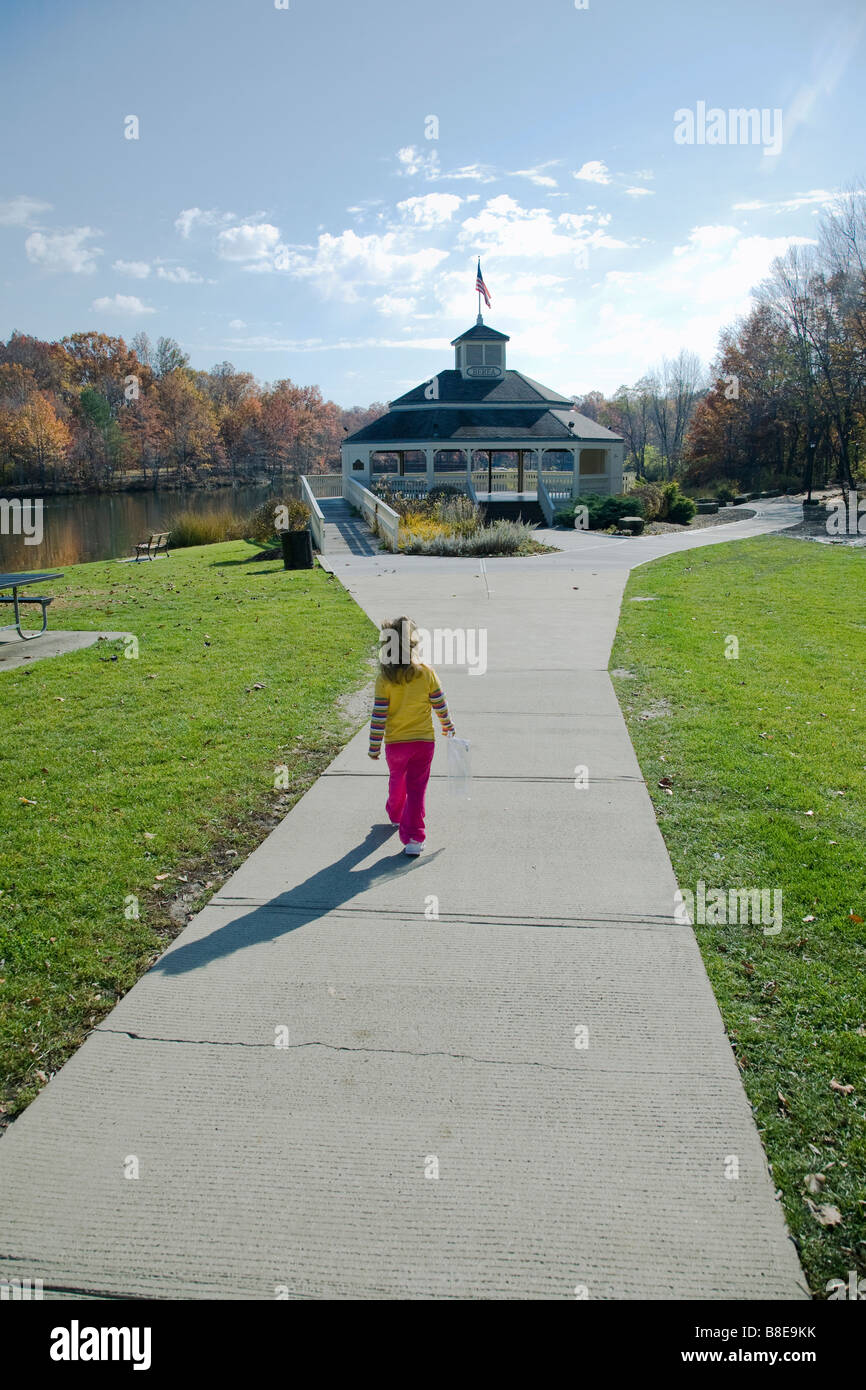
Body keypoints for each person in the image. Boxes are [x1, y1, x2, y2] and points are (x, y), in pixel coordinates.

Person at [368, 616, 455, 856]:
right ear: (413, 644)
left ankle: (396, 814)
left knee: (397, 779)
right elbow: (439, 703)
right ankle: (414, 837)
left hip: (396, 744)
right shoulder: (426, 673)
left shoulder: (385, 678)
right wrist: (447, 725)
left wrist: (374, 745)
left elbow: (379, 715)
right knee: (417, 788)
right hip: (423, 742)